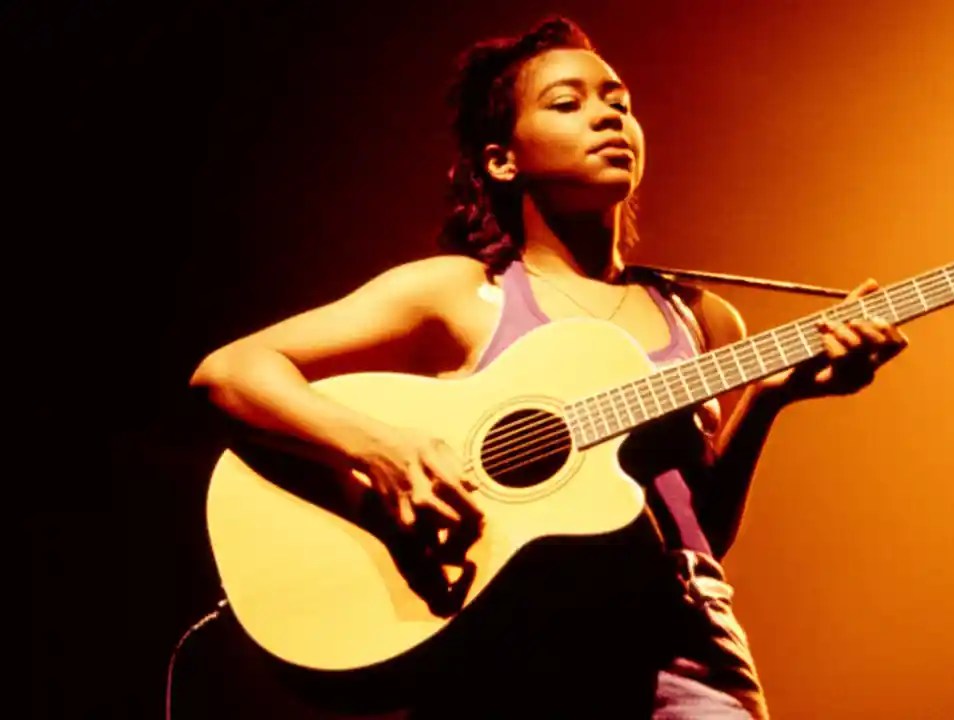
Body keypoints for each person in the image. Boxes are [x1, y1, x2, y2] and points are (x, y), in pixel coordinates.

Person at [188, 15, 908, 719]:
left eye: (619, 102)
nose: (608, 116)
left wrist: (770, 399)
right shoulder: (462, 293)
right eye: (568, 103)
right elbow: (232, 371)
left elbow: (701, 532)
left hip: (680, 649)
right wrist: (382, 449)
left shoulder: (702, 317)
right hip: (505, 644)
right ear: (502, 160)